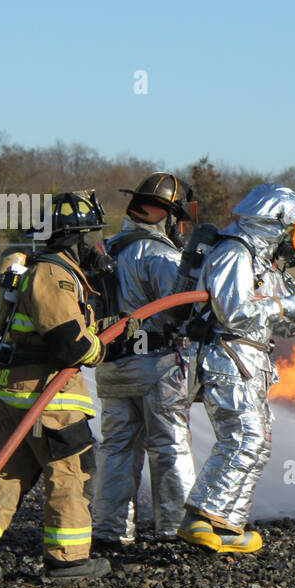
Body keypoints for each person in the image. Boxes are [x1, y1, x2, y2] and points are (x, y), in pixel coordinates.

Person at [0, 191, 110, 582]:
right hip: (48, 399)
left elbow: (53, 329)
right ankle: (68, 560)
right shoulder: (55, 274)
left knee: (12, 471)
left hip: (14, 393)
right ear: (73, 238)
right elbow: (71, 346)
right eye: (88, 238)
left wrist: (103, 327)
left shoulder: (35, 269)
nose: (94, 247)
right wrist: (102, 346)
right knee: (71, 471)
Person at [177, 183, 295, 552]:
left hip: (250, 360)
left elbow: (284, 318)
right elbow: (234, 312)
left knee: (258, 444)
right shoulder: (235, 252)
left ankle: (228, 525)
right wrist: (284, 307)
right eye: (292, 227)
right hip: (228, 357)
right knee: (243, 438)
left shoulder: (261, 260)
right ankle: (199, 517)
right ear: (274, 223)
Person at [92, 172, 196, 551]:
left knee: (117, 447)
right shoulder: (160, 254)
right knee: (169, 446)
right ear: (166, 215)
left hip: (112, 363)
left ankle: (110, 529)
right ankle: (176, 528)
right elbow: (179, 310)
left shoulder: (105, 248)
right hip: (155, 363)